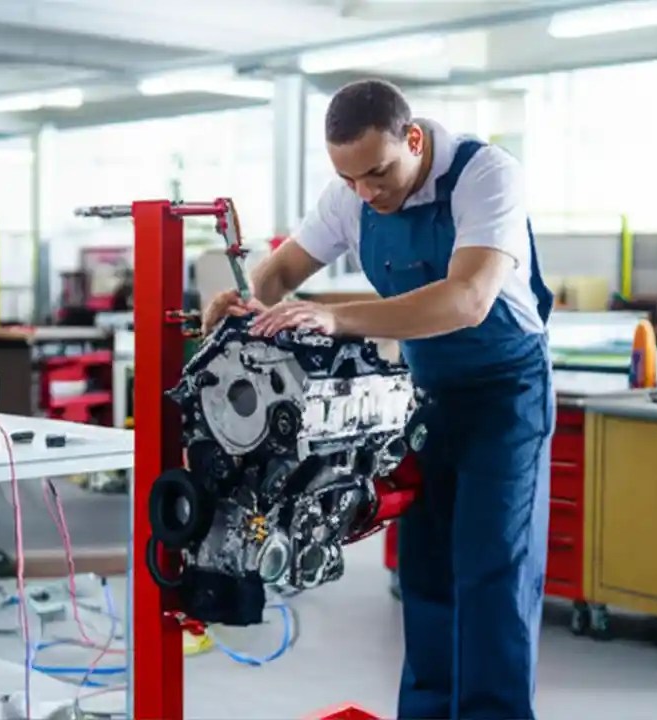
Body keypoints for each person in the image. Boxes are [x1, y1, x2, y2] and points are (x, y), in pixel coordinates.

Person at [205, 79, 554, 720]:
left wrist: (338, 318)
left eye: (377, 173)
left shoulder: (485, 175)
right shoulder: (350, 194)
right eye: (351, 179)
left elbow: (469, 298)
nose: (366, 192)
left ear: (412, 140)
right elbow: (280, 271)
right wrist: (250, 299)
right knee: (423, 574)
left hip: (505, 396)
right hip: (423, 397)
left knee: (492, 576)